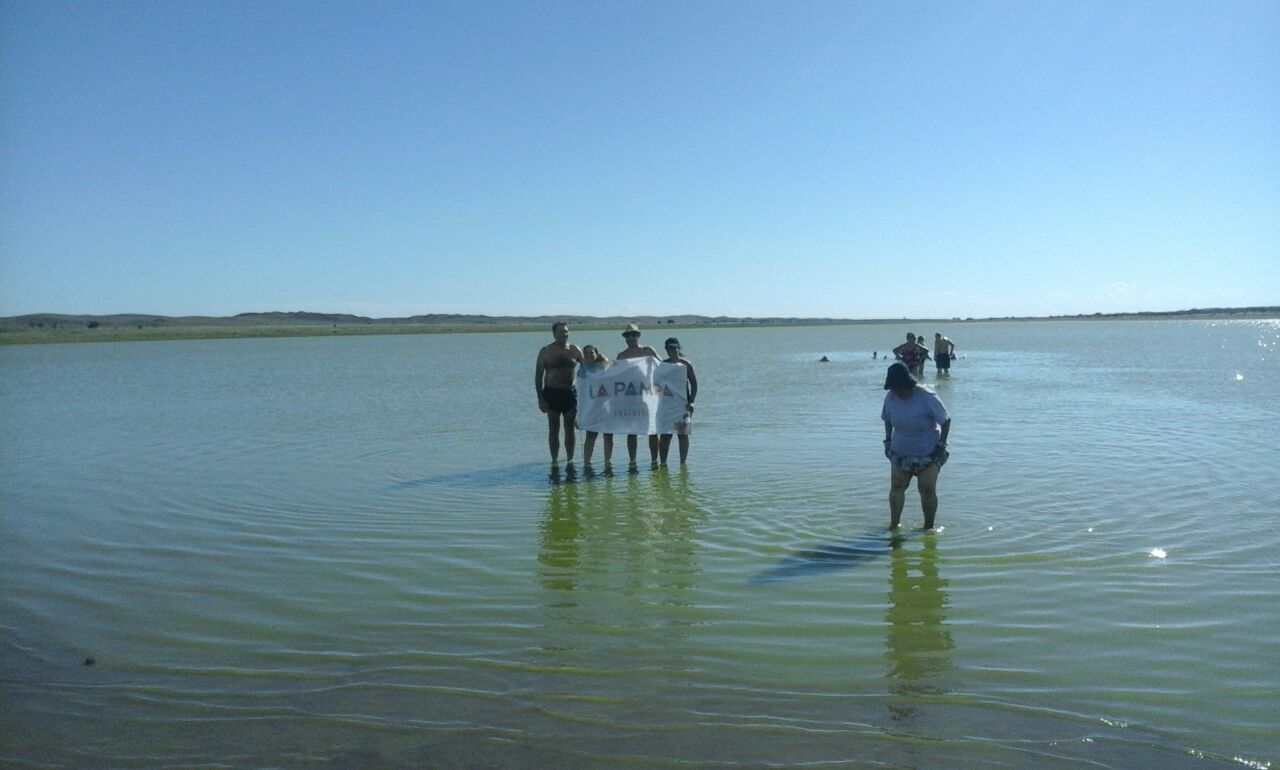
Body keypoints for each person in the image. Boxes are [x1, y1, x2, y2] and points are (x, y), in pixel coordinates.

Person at [881, 362, 951, 530]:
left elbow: (946, 420)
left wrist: (941, 445)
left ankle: (928, 528)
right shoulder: (891, 397)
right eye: (893, 388)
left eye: (898, 388)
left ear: (907, 384)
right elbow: (888, 420)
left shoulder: (926, 396)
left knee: (926, 490)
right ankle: (894, 526)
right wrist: (888, 442)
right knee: (897, 488)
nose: (896, 392)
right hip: (900, 452)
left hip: (928, 453)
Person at [535, 321, 582, 463]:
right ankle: (554, 460)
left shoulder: (574, 350)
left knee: (570, 429)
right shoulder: (546, 351)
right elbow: (538, 375)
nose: (564, 334)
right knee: (553, 429)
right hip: (551, 394)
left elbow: (589, 367)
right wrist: (540, 399)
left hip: (569, 394)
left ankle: (570, 460)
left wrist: (602, 360)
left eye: (566, 331)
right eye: (561, 331)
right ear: (554, 334)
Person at [616, 323, 661, 465]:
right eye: (628, 335)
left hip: (648, 396)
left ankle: (654, 460)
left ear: (638, 336)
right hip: (630, 397)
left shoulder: (648, 351)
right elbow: (614, 376)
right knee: (631, 430)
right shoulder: (622, 356)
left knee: (652, 428)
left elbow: (662, 367)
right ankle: (632, 461)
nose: (631, 338)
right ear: (625, 338)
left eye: (634, 335)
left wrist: (679, 363)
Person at [658, 337, 698, 465]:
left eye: (674, 348)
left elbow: (694, 383)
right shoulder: (662, 365)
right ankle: (663, 463)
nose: (671, 350)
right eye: (668, 348)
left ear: (678, 348)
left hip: (682, 406)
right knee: (665, 436)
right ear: (666, 349)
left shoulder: (686, 365)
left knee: (682, 434)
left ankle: (683, 463)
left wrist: (692, 401)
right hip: (666, 406)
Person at [578, 345, 614, 466]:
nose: (588, 355)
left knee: (608, 436)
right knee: (590, 436)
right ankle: (587, 463)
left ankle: (607, 462)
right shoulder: (582, 370)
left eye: (591, 353)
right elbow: (580, 392)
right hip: (591, 408)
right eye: (586, 353)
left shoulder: (605, 367)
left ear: (596, 354)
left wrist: (603, 359)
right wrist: (579, 414)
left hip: (606, 407)